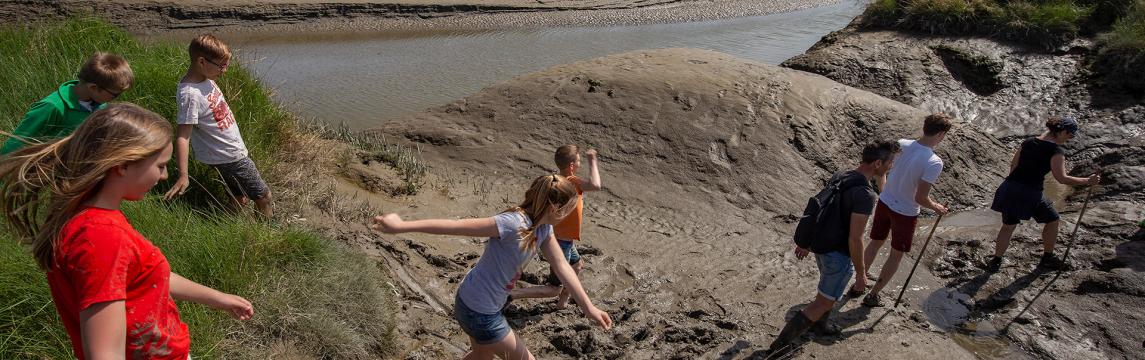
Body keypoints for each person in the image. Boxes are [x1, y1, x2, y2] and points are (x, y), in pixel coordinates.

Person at [0, 103, 254, 360]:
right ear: (122, 165)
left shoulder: (86, 216)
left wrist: (218, 299)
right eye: (161, 165)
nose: (165, 176)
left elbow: (146, 276)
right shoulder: (100, 238)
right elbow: (105, 354)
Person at [371, 174, 613, 360]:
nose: (570, 216)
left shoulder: (543, 229)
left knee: (481, 356)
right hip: (479, 311)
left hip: (475, 302)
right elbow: (455, 226)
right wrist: (401, 226)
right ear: (554, 209)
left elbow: (562, 267)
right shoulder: (512, 224)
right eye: (568, 211)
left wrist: (589, 307)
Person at [767, 140, 900, 355]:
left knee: (828, 291)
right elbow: (855, 239)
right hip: (837, 255)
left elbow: (822, 211)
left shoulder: (842, 175)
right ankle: (778, 348)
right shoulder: (866, 196)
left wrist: (807, 243)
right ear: (877, 163)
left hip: (821, 247)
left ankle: (822, 324)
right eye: (890, 162)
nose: (891, 167)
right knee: (822, 302)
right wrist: (861, 273)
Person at [164, 34, 272, 217]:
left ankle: (225, 226)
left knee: (238, 198)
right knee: (264, 196)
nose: (225, 70)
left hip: (227, 151)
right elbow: (183, 136)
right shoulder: (190, 95)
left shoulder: (205, 79)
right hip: (229, 156)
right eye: (221, 66)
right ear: (201, 62)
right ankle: (269, 233)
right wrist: (183, 174)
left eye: (227, 65)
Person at [860, 114, 953, 307]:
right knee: (896, 254)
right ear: (941, 135)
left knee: (875, 242)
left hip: (885, 202)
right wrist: (937, 207)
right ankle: (873, 294)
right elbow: (920, 198)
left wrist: (884, 188)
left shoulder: (902, 144)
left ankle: (858, 283)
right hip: (906, 211)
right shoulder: (934, 162)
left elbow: (882, 171)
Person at [987, 116, 1099, 271]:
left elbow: (1013, 165)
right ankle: (1047, 257)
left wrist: (1017, 183)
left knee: (1008, 226)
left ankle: (995, 261)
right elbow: (1062, 179)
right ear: (1063, 131)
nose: (1069, 139)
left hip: (1010, 187)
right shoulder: (1056, 151)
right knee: (1053, 219)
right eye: (1070, 135)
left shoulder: (1028, 142)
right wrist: (1087, 181)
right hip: (1031, 192)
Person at [509, 145, 602, 309]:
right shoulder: (571, 181)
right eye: (579, 160)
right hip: (561, 242)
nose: (581, 163)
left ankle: (562, 302)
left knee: (577, 265)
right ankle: (511, 295)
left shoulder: (556, 181)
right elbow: (595, 185)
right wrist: (592, 160)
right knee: (553, 288)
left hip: (565, 240)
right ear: (572, 166)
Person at [1, 52, 133, 154]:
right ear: (93, 88)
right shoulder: (52, 107)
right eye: (115, 94)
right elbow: (15, 145)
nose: (117, 98)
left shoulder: (99, 105)